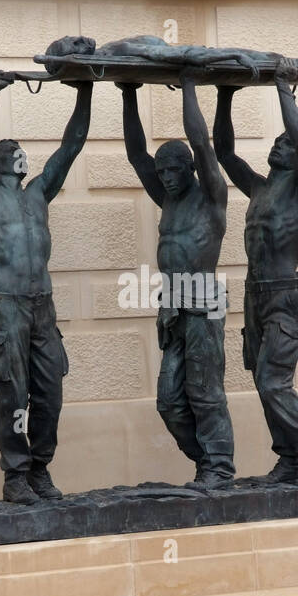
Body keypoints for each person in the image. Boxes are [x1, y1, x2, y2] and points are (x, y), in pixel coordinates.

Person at [0, 72, 92, 505]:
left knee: (50, 392)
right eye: (14, 152)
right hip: (8, 308)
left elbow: (72, 145)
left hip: (43, 308)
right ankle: (15, 477)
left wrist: (86, 87)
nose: (23, 156)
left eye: (23, 151)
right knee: (13, 394)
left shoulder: (38, 195)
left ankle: (40, 470)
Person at [213, 58, 298, 483]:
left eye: (282, 144)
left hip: (284, 292)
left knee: (272, 381)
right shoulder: (259, 187)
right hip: (254, 295)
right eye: (276, 143)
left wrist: (284, 88)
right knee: (260, 379)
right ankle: (287, 458)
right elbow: (224, 152)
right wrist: (225, 94)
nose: (277, 146)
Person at [119, 70, 234, 487]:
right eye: (161, 170)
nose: (164, 175)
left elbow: (203, 144)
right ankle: (205, 462)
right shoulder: (166, 198)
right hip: (173, 306)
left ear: (190, 170)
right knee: (169, 400)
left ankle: (220, 468)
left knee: (204, 392)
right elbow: (136, 154)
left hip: (203, 301)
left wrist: (188, 87)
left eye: (172, 169)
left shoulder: (212, 195)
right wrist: (129, 92)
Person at [43, 32, 298, 80]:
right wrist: (227, 55)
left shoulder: (110, 54)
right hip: (204, 60)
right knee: (261, 59)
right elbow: (175, 55)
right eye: (73, 42)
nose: (80, 37)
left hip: (201, 58)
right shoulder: (118, 53)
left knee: (267, 56)